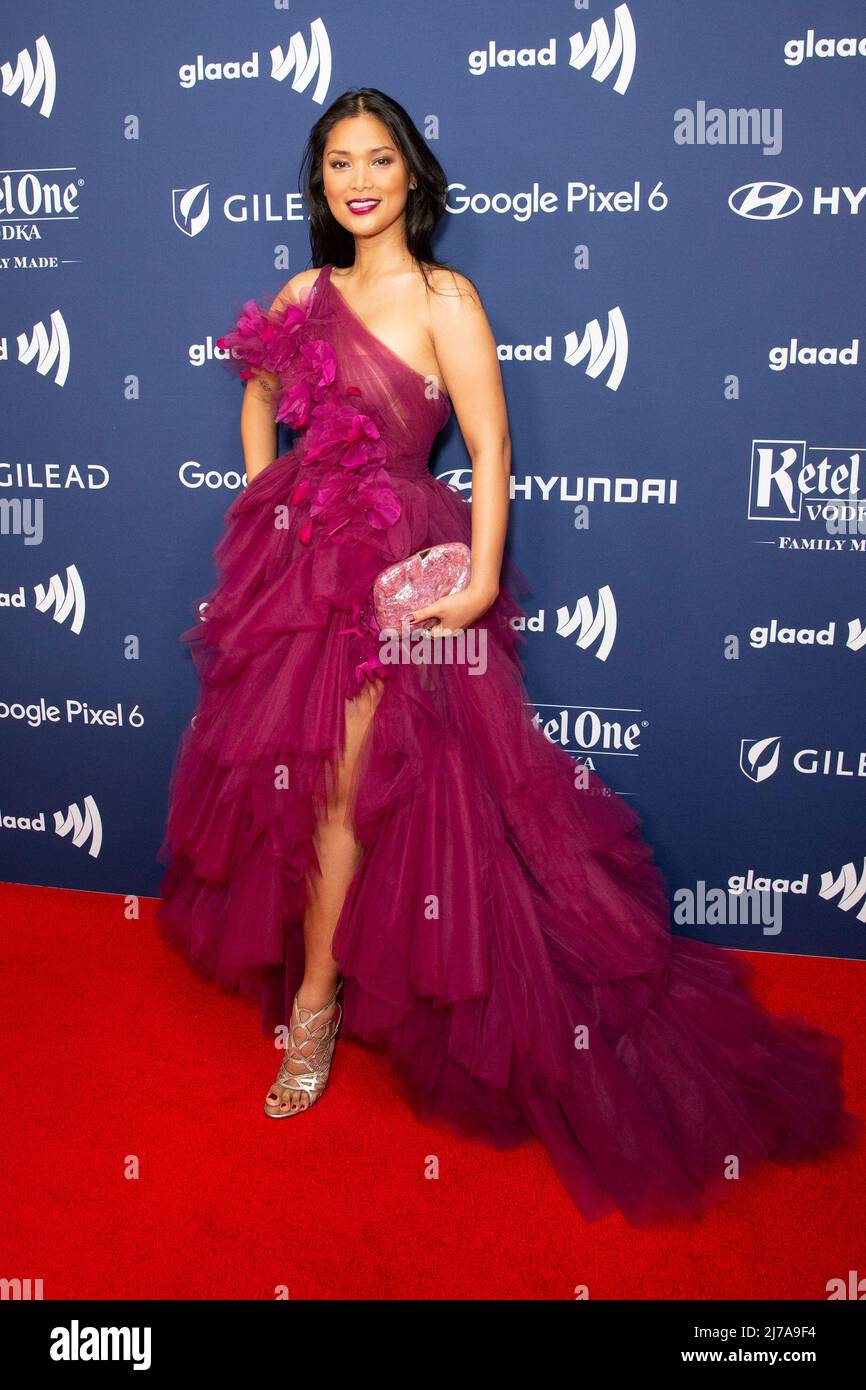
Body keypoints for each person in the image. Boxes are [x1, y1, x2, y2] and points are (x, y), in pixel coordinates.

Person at [156, 88, 860, 1226]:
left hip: (404, 564)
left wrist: (479, 576)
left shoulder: (445, 297)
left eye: (378, 158)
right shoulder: (303, 292)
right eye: (338, 162)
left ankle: (324, 1003)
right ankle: (325, 1001)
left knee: (376, 784)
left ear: (411, 175)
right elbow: (260, 399)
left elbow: (488, 440)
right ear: (321, 183)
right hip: (303, 566)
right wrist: (261, 496)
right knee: (321, 788)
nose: (358, 179)